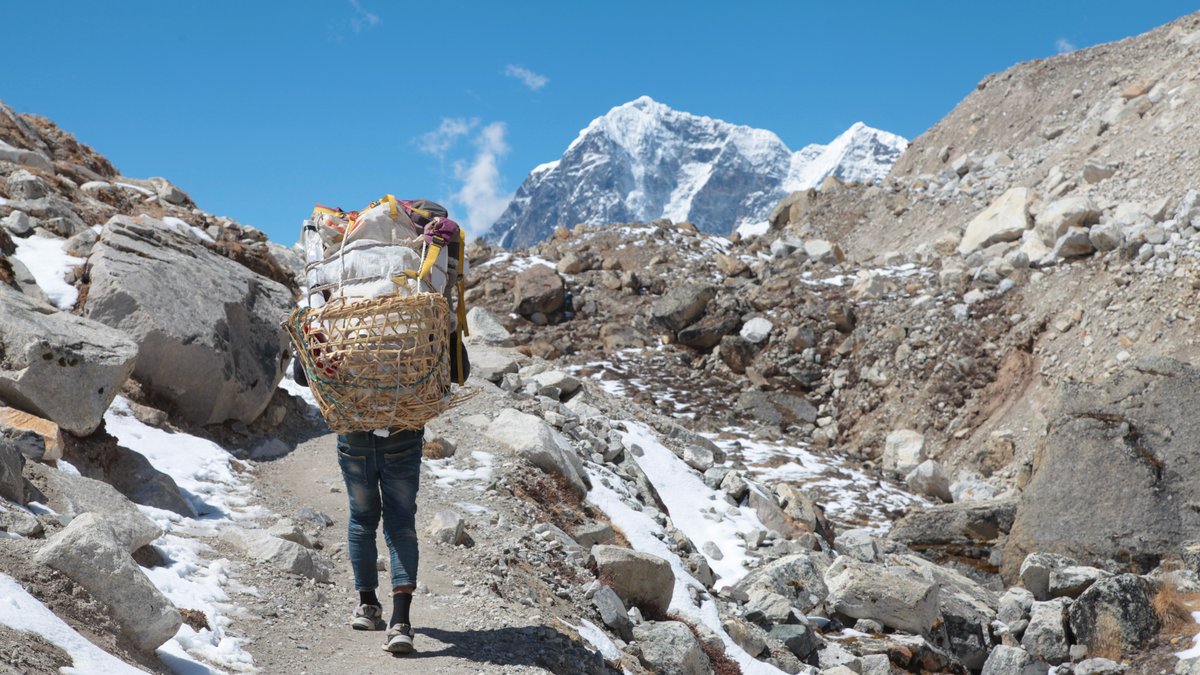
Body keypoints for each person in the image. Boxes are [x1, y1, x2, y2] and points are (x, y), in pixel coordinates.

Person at [293, 197, 464, 655]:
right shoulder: (419, 291)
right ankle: (401, 622)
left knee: (362, 518)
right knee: (401, 521)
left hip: (353, 427)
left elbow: (302, 373)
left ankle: (366, 605)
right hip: (404, 426)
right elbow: (452, 367)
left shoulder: (333, 294)